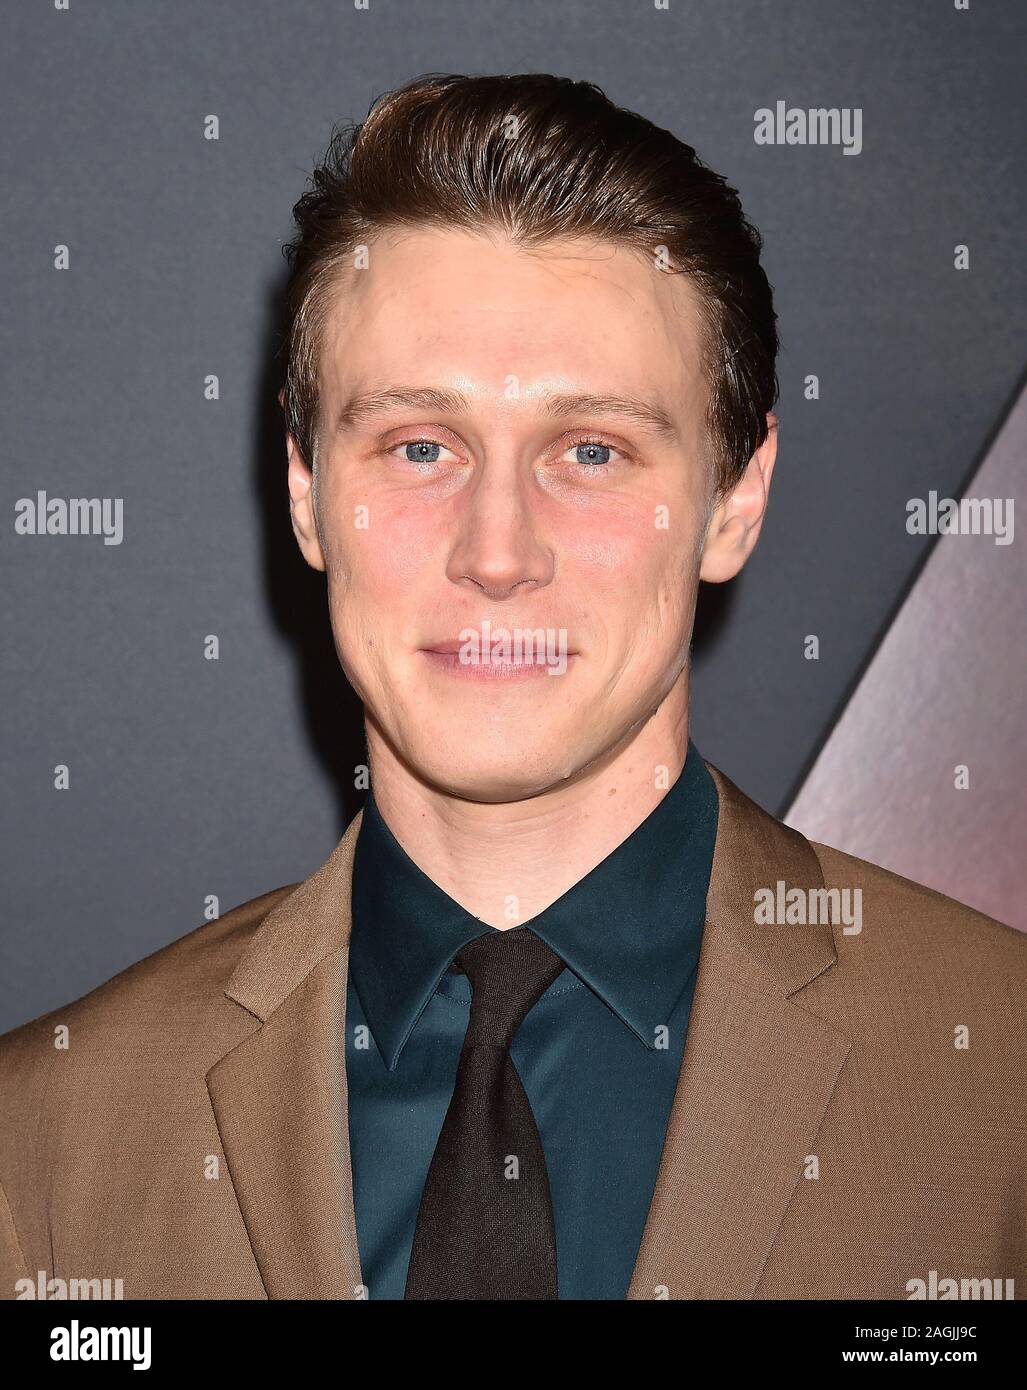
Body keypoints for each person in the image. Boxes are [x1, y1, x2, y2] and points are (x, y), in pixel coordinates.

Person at [2, 73, 1024, 1302]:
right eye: (420, 447)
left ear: (734, 501)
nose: (496, 551)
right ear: (307, 493)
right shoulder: (47, 1146)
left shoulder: (998, 1079)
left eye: (590, 451)